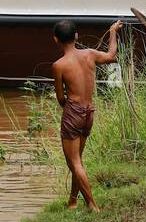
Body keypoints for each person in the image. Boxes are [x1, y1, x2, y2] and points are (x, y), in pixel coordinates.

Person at [50, 18, 121, 212]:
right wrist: (113, 31)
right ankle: (72, 202)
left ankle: (92, 205)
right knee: (78, 160)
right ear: (76, 36)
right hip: (89, 112)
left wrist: (69, 111)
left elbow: (60, 98)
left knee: (73, 162)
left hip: (73, 112)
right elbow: (111, 55)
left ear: (56, 40)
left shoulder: (59, 65)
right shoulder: (89, 54)